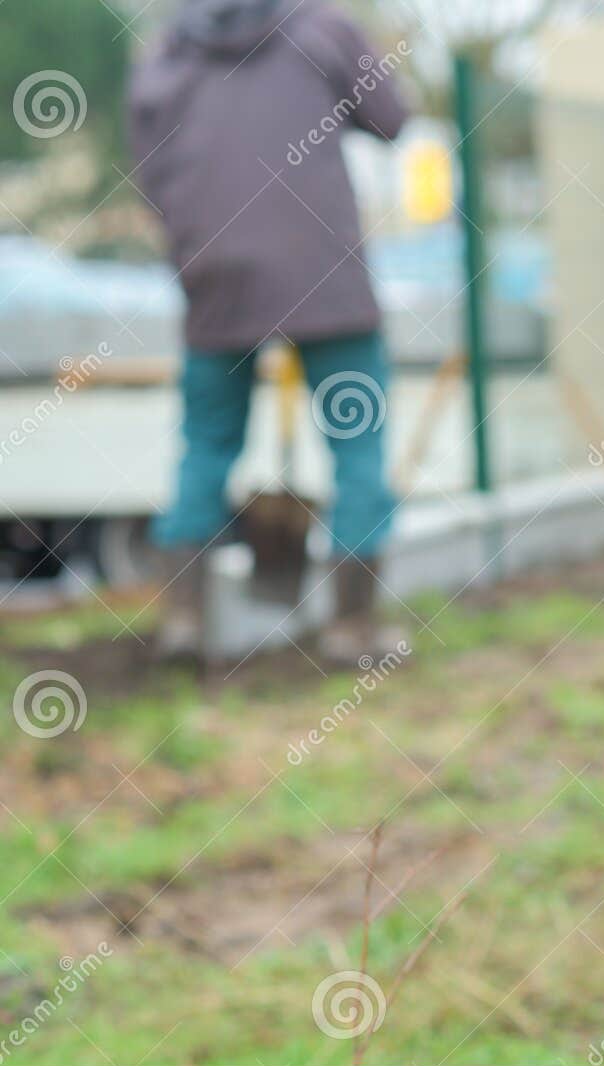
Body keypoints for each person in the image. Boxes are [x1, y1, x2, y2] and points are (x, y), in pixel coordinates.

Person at [125, 0, 409, 665]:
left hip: (215, 275)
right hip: (322, 273)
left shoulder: (169, 52)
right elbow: (391, 119)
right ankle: (351, 630)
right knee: (358, 446)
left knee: (206, 446)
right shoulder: (323, 28)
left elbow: (148, 173)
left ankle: (184, 624)